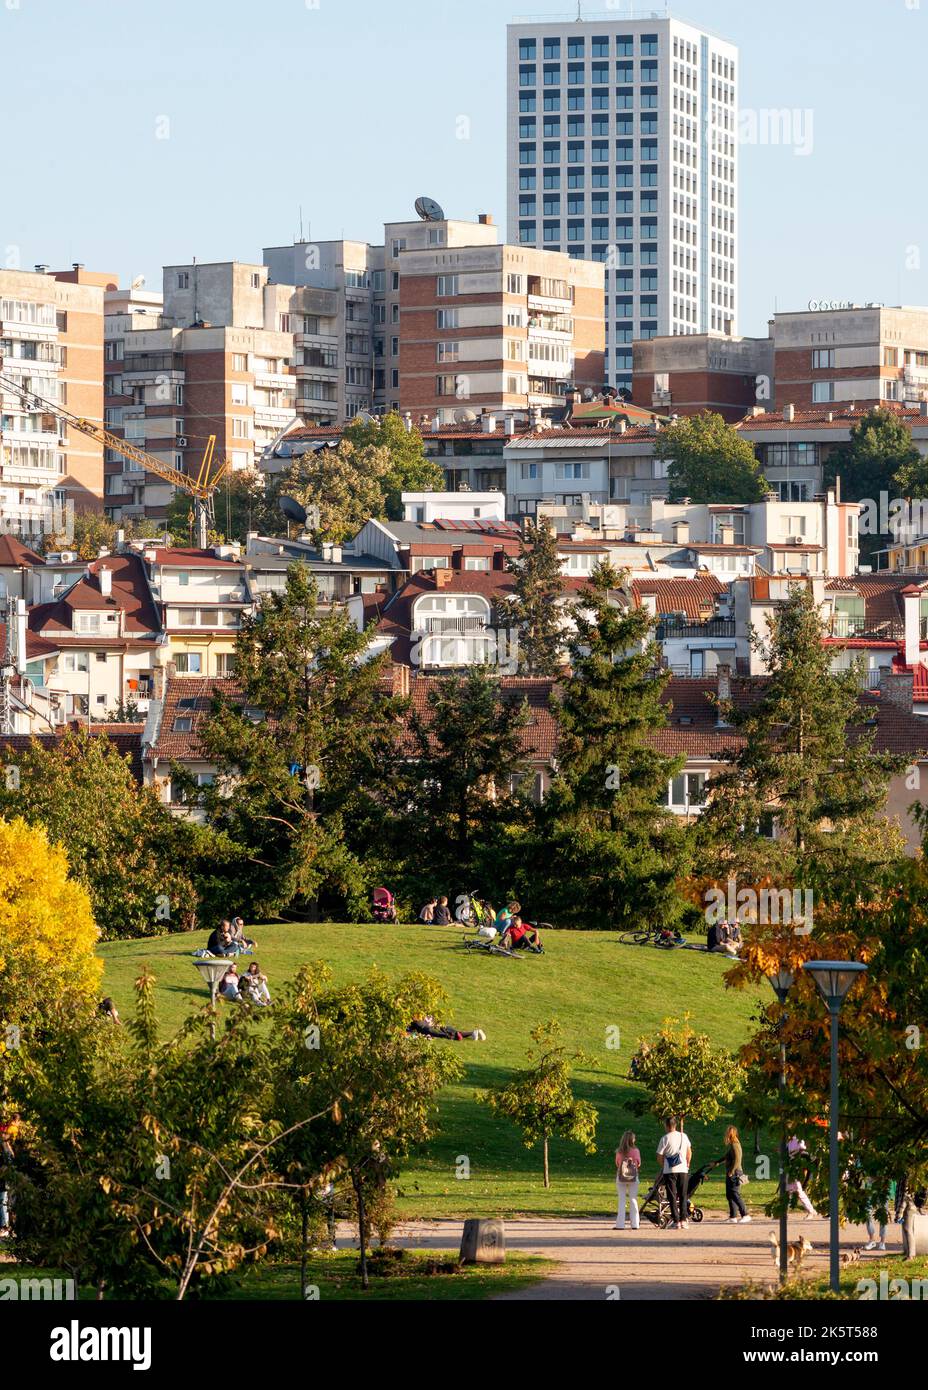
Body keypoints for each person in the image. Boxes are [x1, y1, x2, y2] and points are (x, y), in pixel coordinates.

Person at [656, 1116, 692, 1230]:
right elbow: (689, 1152)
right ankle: (684, 1220)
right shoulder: (683, 1136)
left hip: (670, 1171)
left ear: (667, 1126)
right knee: (683, 1195)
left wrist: (664, 1166)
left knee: (672, 1196)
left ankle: (676, 1221)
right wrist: (687, 1164)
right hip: (683, 1169)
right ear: (675, 1125)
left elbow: (659, 1156)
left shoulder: (665, 1138)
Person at [787, 1136, 820, 1219]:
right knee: (789, 1190)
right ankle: (782, 1212)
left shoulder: (797, 1138)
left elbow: (803, 1150)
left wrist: (794, 1154)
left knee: (797, 1190)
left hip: (798, 1167)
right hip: (791, 1167)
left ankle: (811, 1211)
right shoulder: (789, 1141)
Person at [615, 1130, 642, 1231]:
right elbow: (638, 1163)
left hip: (621, 1176)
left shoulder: (619, 1151)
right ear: (632, 1140)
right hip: (633, 1176)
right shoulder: (636, 1151)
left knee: (621, 1200)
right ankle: (635, 1224)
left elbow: (617, 1163)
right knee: (633, 1199)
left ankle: (620, 1224)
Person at [724, 1124, 751, 1223]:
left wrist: (732, 1171)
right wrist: (716, 1162)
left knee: (735, 1194)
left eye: (729, 1132)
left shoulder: (735, 1144)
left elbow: (737, 1160)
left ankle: (746, 1214)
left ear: (733, 1134)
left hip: (735, 1173)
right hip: (731, 1172)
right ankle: (733, 1216)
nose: (727, 1134)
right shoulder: (732, 1145)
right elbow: (726, 1156)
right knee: (729, 1194)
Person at [0, 1114, 17, 1238]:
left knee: (4, 1202)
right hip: (5, 1180)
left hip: (5, 1180)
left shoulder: (6, 1149)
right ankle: (6, 1227)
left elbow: (9, 1163)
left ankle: (5, 1227)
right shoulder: (6, 1148)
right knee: (4, 1202)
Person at [407, 1015, 486, 1042]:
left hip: (420, 1023)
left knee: (432, 1031)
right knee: (442, 1028)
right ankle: (473, 1033)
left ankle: (450, 1035)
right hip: (426, 1020)